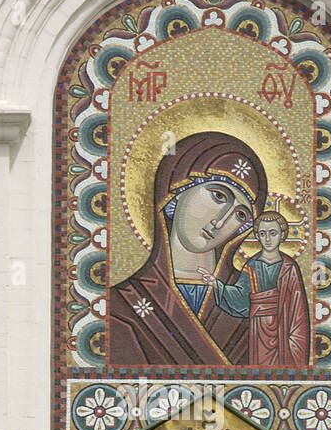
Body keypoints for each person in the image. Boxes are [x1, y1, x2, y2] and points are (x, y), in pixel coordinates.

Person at [108, 132, 269, 366]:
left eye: (240, 215)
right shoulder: (122, 304)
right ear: (176, 189)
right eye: (218, 196)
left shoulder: (250, 298)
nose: (221, 222)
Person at [198, 210, 310, 366]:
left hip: (283, 327)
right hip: (259, 328)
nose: (268, 239)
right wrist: (216, 284)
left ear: (282, 235)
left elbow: (297, 308)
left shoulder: (289, 267)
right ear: (257, 236)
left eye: (273, 233)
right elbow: (241, 297)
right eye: (262, 234)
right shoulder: (252, 265)